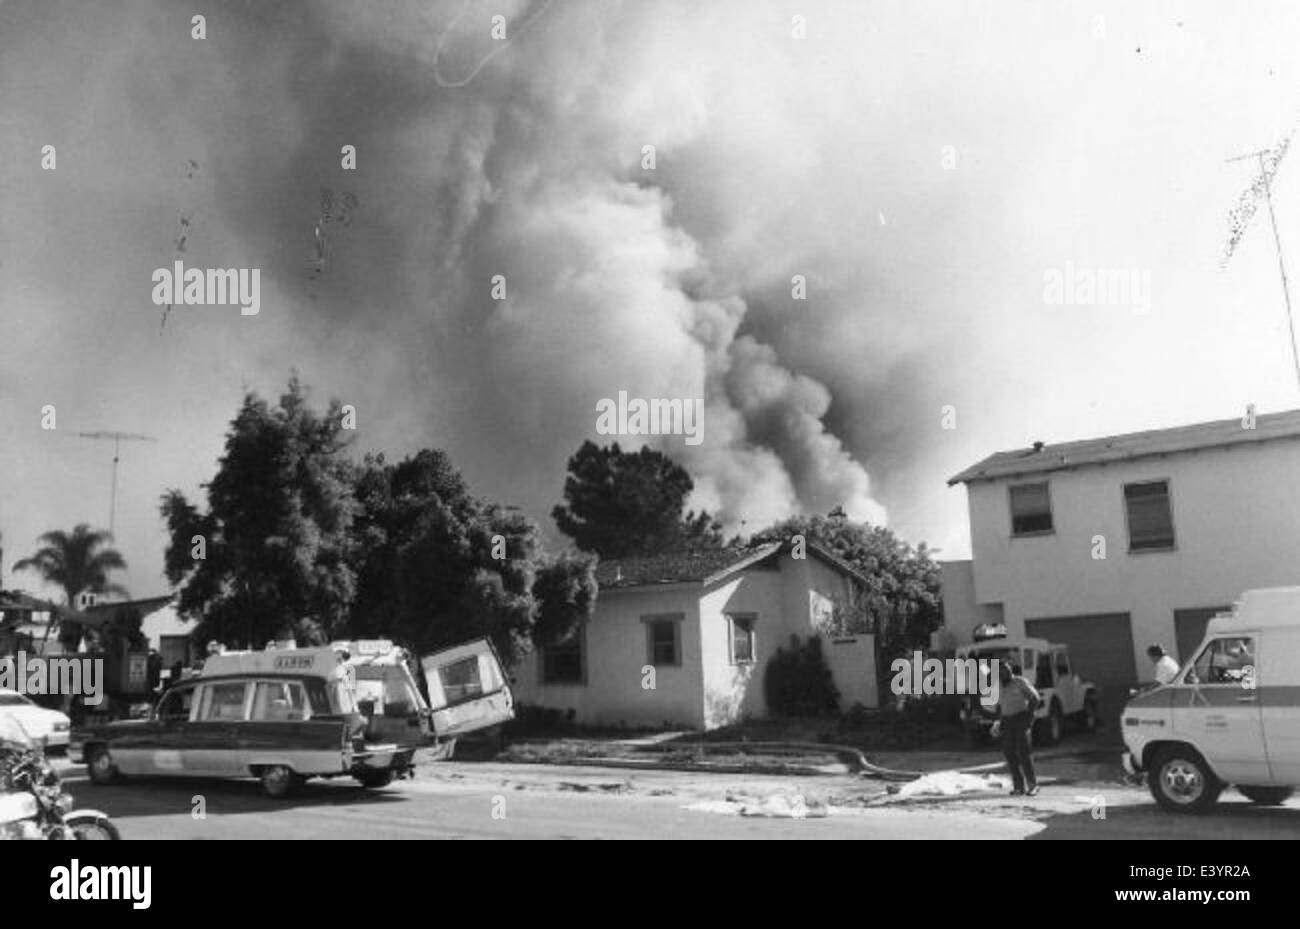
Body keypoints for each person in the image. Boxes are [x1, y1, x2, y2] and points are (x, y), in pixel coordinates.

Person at [992, 661, 1041, 796]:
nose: (1006, 673)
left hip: (1020, 718)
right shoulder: (999, 687)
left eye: (1007, 670)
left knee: (1023, 751)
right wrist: (997, 722)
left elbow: (1035, 698)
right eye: (1002, 671)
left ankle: (1033, 785)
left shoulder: (1019, 682)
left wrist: (1029, 716)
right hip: (1007, 721)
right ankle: (1019, 786)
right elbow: (999, 706)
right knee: (1009, 752)